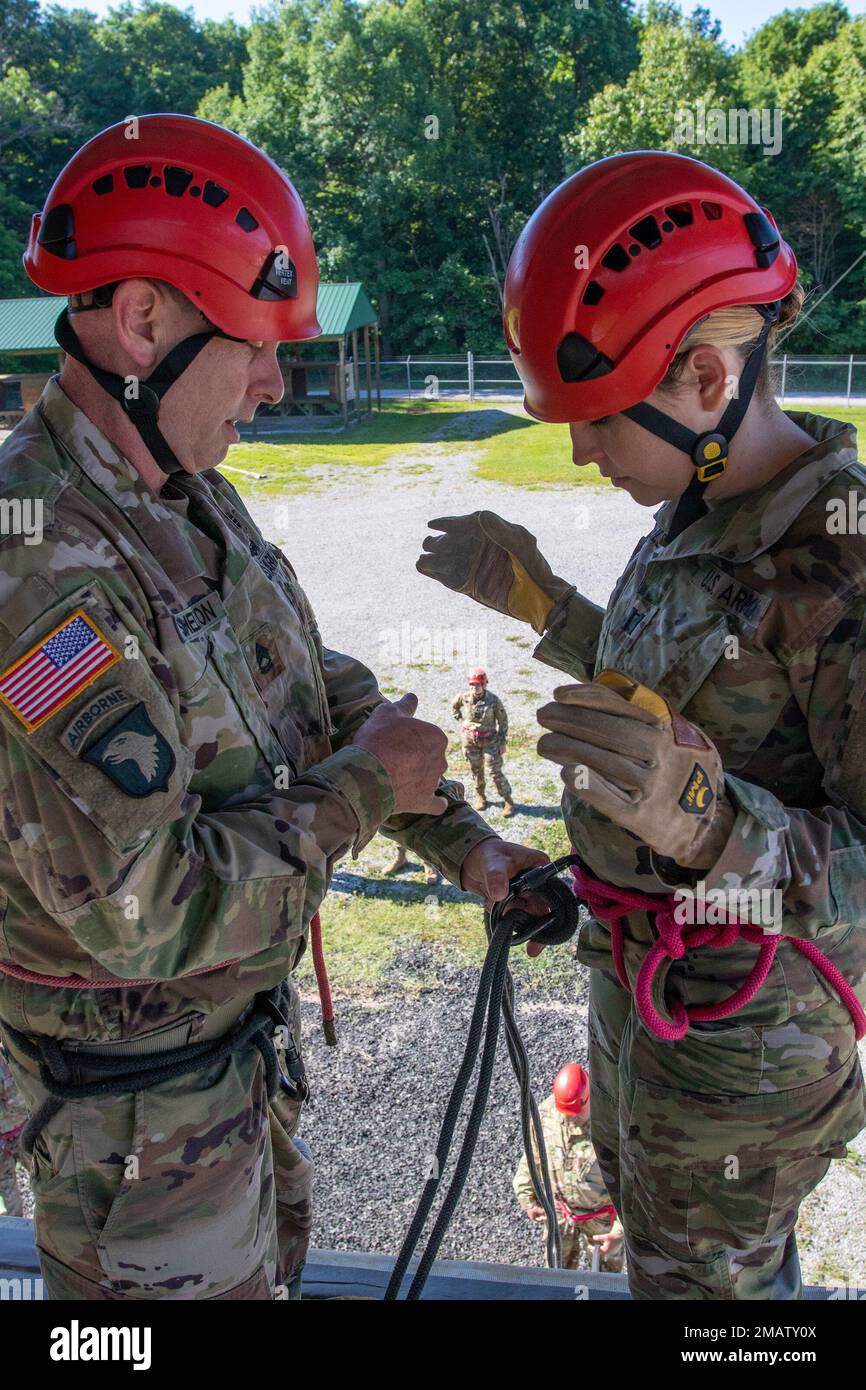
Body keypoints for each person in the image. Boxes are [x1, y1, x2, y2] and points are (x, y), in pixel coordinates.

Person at [0, 113, 548, 1301]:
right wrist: (367, 790)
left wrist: (468, 845)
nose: (275, 380)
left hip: (226, 1088)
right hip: (129, 1150)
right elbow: (147, 910)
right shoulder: (38, 568)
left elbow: (307, 690)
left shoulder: (189, 499)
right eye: (255, 342)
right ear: (143, 321)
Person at [418, 151, 866, 1300]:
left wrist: (713, 825)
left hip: (746, 1041)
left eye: (593, 420)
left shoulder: (842, 561)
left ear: (706, 381)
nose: (576, 449)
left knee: (709, 1298)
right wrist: (547, 606)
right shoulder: (693, 507)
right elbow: (684, 690)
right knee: (660, 1253)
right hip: (648, 990)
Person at [514, 1064, 623, 1272]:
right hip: (559, 1214)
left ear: (589, 1098)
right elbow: (533, 1156)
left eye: (576, 1112)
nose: (570, 1118)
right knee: (557, 1274)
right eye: (565, 1112)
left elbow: (636, 1186)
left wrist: (621, 1231)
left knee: (605, 1280)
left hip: (602, 1220)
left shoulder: (614, 1126)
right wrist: (527, 1197)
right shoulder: (546, 1116)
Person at [451, 668, 514, 814]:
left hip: (490, 741)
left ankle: (508, 800)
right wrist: (462, 721)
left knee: (494, 771)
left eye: (478, 685)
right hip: (470, 741)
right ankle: (481, 796)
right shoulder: (464, 697)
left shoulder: (493, 700)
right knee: (476, 770)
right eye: (472, 685)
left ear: (485, 685)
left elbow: (503, 721)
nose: (475, 688)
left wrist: (502, 742)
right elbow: (454, 707)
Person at [0, 1050, 28, 1217]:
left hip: (21, 1130)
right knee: (6, 1185)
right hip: (17, 1128)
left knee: (43, 1174)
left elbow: (16, 1100)